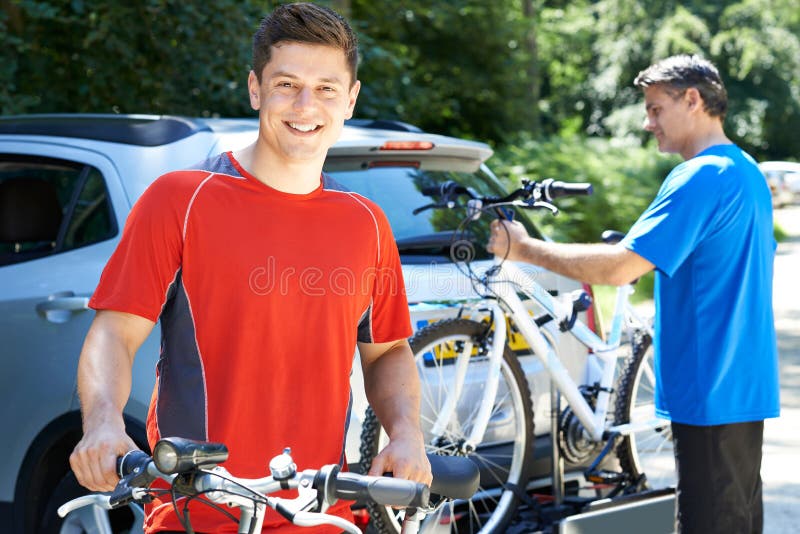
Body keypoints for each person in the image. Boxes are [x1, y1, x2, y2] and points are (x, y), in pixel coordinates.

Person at [69, 3, 431, 532]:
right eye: (286, 84)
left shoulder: (367, 223)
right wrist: (101, 420)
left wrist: (406, 432)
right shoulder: (180, 201)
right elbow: (115, 331)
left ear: (350, 99)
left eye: (327, 88)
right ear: (256, 89)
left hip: (322, 513)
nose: (306, 105)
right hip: (196, 511)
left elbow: (388, 351)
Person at [487, 54, 779, 533]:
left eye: (656, 108)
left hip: (709, 389)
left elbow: (622, 266)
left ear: (693, 99)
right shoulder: (745, 170)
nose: (648, 123)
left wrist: (526, 248)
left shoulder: (700, 176)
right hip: (743, 386)